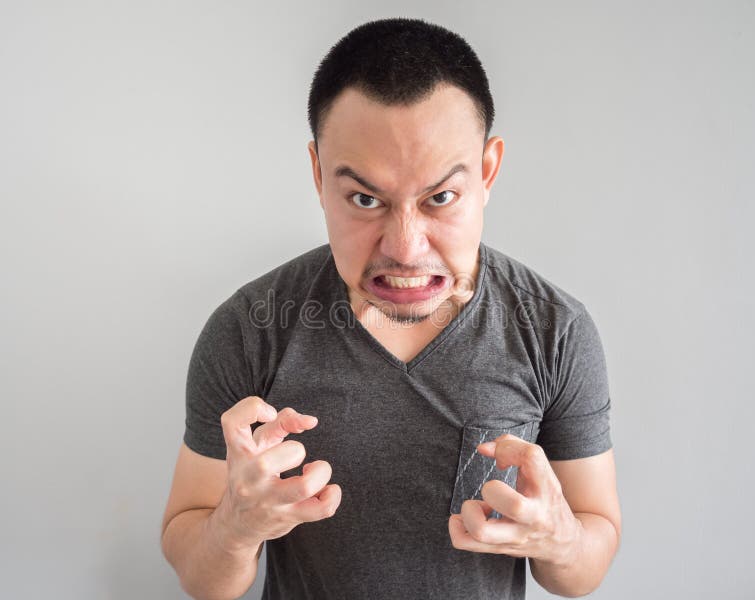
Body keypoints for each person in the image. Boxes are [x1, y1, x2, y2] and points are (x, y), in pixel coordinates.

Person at [160, 17, 621, 600]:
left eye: (441, 198)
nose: (405, 248)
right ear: (318, 175)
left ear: (487, 173)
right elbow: (199, 569)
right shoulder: (248, 330)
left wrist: (559, 539)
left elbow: (588, 558)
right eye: (365, 198)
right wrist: (233, 528)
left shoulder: (556, 331)